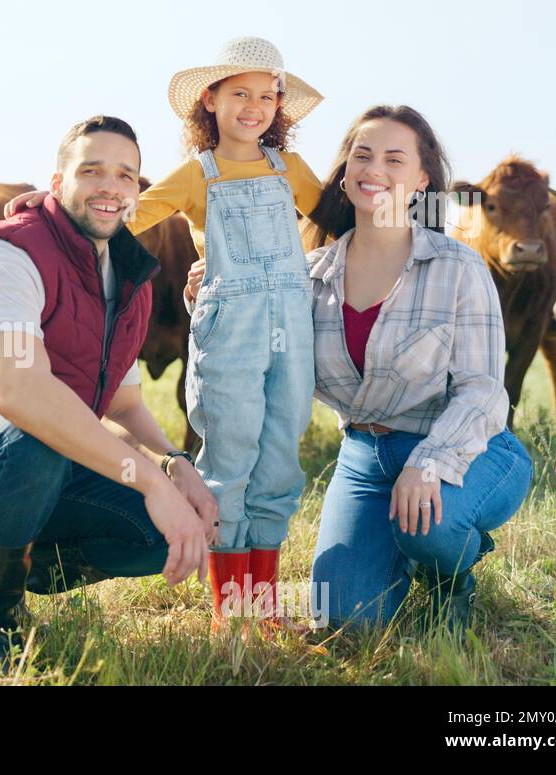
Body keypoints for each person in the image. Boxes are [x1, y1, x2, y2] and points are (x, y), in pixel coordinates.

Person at [8, 37, 325, 630]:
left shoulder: (292, 169)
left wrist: (420, 211)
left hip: (292, 331)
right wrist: (51, 206)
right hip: (231, 330)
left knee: (279, 459)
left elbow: (337, 221)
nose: (252, 107)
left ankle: (267, 609)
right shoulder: (193, 175)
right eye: (238, 94)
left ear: (278, 105)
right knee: (230, 460)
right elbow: (120, 216)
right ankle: (231, 615)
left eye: (265, 95)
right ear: (210, 100)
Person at [0, 116, 218, 669]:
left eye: (125, 175)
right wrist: (146, 481)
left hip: (39, 466)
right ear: (57, 182)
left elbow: (124, 404)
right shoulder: (8, 257)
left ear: (137, 191)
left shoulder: (126, 275)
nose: (110, 186)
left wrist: (173, 465)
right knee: (30, 437)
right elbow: (20, 393)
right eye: (91, 170)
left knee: (156, 531)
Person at [187, 105, 534, 631]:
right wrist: (214, 300)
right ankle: (401, 550)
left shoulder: (459, 268)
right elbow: (253, 353)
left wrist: (428, 464)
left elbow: (483, 393)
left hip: (467, 448)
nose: (375, 170)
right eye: (362, 156)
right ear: (345, 175)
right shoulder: (303, 276)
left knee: (431, 532)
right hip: (366, 457)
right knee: (346, 620)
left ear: (421, 180)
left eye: (395, 159)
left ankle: (451, 574)